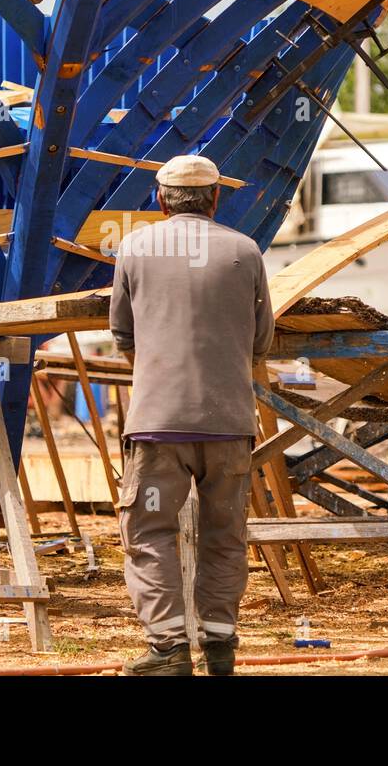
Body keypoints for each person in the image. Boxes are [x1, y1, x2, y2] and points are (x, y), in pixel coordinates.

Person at [109, 153, 274, 675]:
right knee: (225, 531)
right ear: (216, 197)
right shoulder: (245, 251)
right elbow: (263, 340)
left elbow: (122, 335)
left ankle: (169, 648)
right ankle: (220, 646)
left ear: (160, 199)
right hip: (229, 424)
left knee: (150, 530)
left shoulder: (134, 247)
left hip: (159, 425)